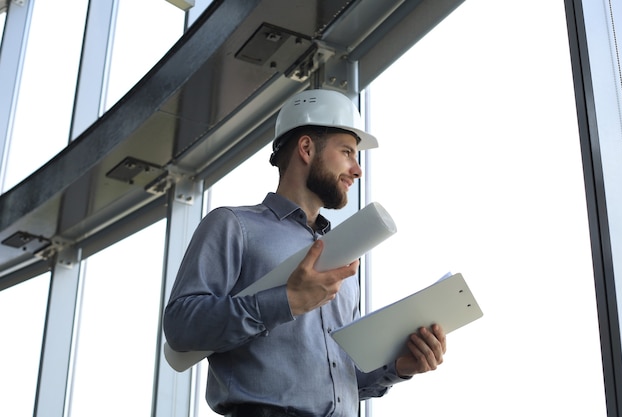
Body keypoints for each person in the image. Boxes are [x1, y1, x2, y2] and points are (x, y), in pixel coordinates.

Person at [163, 89, 446, 417]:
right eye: (347, 152)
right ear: (307, 148)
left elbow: (340, 374)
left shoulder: (342, 254)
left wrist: (397, 367)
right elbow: (180, 327)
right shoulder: (233, 226)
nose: (357, 170)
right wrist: (284, 301)